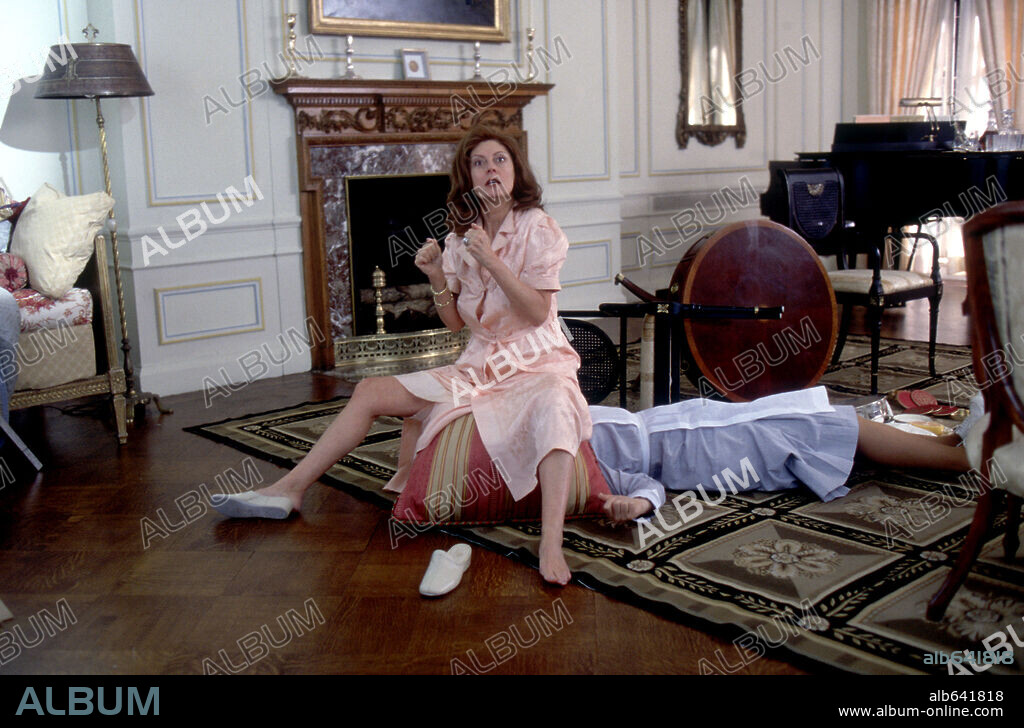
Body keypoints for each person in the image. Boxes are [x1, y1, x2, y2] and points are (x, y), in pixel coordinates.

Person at [213, 125, 591, 585]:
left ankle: (550, 542)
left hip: (536, 360)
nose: (490, 169)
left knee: (555, 402)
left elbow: (536, 312)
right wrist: (436, 276)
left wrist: (491, 260)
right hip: (480, 365)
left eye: (500, 160)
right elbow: (454, 324)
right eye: (478, 163)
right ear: (468, 177)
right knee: (370, 390)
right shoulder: (460, 238)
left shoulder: (540, 228)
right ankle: (289, 489)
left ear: (516, 171)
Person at [592, 387, 975, 523]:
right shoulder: (578, 462)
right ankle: (960, 458)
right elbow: (644, 485)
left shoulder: (562, 419)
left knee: (805, 416)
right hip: (698, 454)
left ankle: (943, 447)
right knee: (813, 429)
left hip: (684, 421)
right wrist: (638, 504)